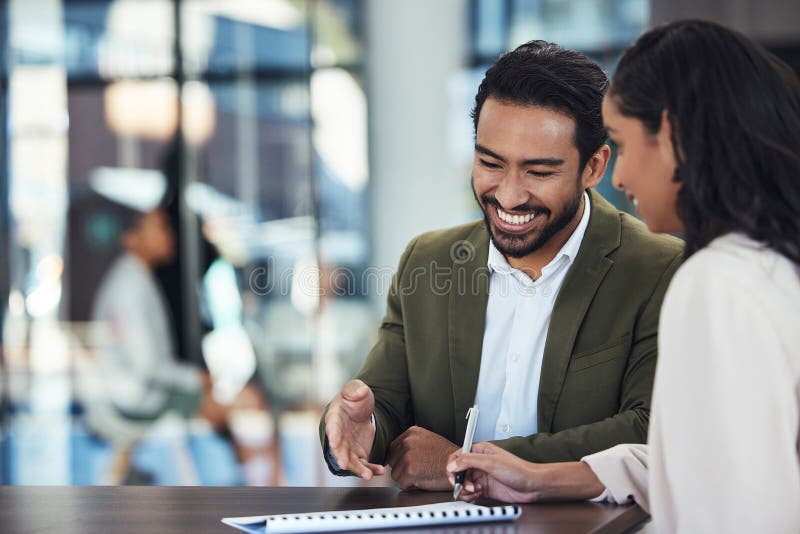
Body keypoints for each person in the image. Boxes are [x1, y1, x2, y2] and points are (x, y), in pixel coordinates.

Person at [445, 19, 800, 532]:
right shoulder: (771, 266)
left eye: (627, 146)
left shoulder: (714, 282)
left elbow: (737, 510)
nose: (622, 178)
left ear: (673, 136)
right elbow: (704, 459)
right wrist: (542, 478)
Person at [320, 40, 684, 490]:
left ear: (593, 167)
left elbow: (650, 430)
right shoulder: (428, 262)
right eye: (490, 163)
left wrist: (464, 464)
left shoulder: (659, 268)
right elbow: (385, 401)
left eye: (539, 172)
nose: (509, 195)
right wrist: (362, 428)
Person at [92, 206, 280, 485]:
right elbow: (147, 367)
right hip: (136, 398)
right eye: (159, 228)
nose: (169, 236)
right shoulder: (130, 286)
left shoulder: (139, 279)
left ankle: (248, 463)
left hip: (140, 390)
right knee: (237, 403)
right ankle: (256, 472)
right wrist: (197, 378)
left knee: (229, 402)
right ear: (132, 238)